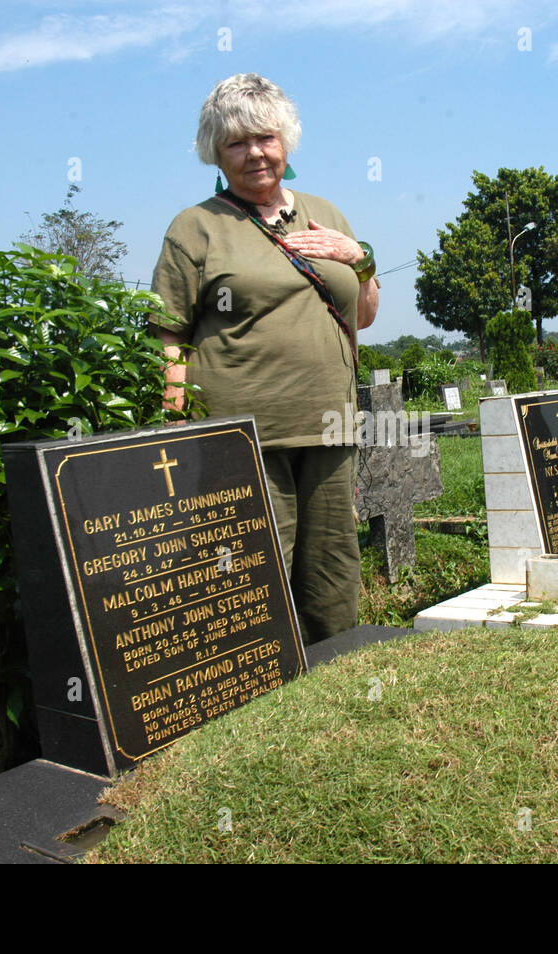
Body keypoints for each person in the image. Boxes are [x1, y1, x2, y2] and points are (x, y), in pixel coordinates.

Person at [150, 73, 378, 645]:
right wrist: (174, 426)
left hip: (330, 425)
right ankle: (253, 688)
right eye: (236, 142)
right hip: (240, 433)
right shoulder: (195, 227)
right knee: (253, 567)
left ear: (286, 142)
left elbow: (365, 314)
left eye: (265, 138)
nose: (254, 152)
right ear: (216, 154)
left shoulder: (326, 212)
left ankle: (333, 680)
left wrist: (361, 259)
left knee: (331, 565)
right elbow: (167, 336)